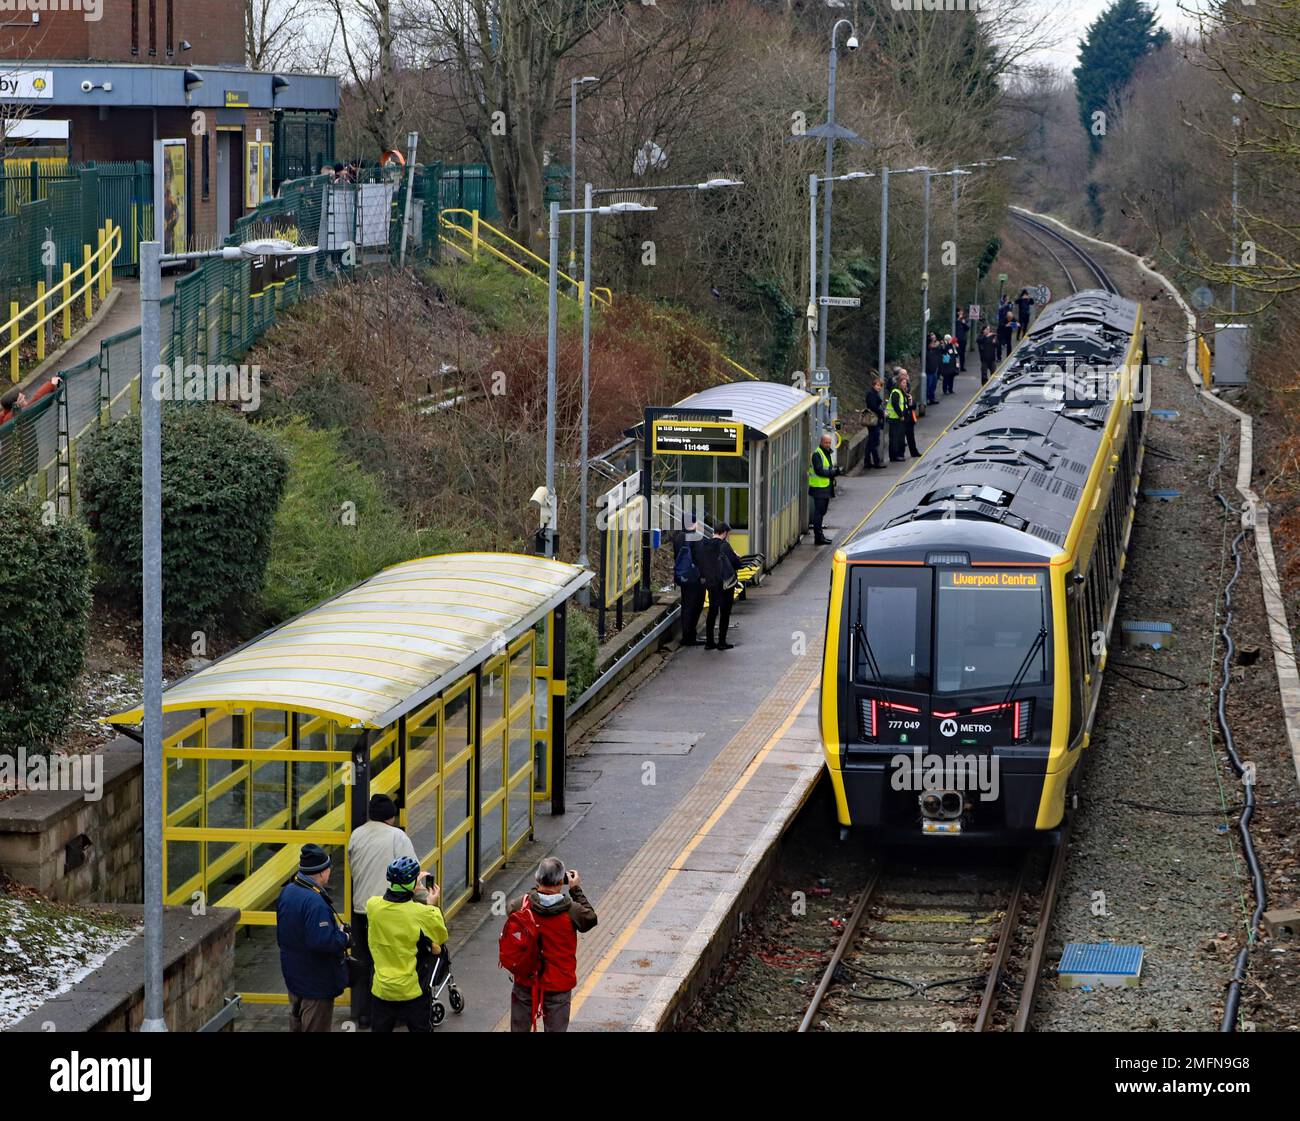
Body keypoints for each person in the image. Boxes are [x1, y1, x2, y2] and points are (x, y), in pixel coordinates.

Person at [347, 792, 419, 1029]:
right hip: (387, 910)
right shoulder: (397, 837)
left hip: (360, 910)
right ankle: (393, 1014)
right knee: (390, 961)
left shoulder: (356, 835)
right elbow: (412, 873)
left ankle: (364, 1013)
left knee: (365, 960)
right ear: (392, 817)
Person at [507, 857, 598, 1032]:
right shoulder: (572, 910)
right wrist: (576, 890)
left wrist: (538, 887)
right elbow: (591, 919)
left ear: (538, 879)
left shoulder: (523, 904)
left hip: (527, 977)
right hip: (559, 981)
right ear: (560, 881)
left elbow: (510, 908)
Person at [366, 856, 449, 1033]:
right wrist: (431, 906)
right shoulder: (422, 913)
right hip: (412, 990)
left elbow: (388, 905)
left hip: (382, 988)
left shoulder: (372, 906)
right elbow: (440, 936)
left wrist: (410, 884)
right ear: (412, 884)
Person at [275, 843, 350, 1032]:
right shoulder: (315, 902)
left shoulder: (288, 891)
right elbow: (322, 941)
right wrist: (344, 938)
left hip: (294, 977)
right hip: (316, 983)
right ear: (323, 873)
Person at [699, 522, 744, 648]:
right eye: (727, 533)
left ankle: (709, 642)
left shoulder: (704, 544)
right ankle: (722, 642)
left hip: (711, 583)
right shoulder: (724, 545)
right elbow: (737, 564)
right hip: (725, 584)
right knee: (724, 613)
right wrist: (736, 556)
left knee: (712, 611)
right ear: (724, 533)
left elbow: (701, 564)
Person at [673, 526, 705, 646]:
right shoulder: (697, 537)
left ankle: (686, 634)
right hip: (695, 577)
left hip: (683, 575)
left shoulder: (678, 537)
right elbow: (700, 559)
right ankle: (690, 635)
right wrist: (703, 576)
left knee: (686, 605)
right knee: (696, 605)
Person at [807, 431, 838, 545]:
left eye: (829, 443)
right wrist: (833, 472)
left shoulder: (828, 453)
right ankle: (818, 537)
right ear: (821, 442)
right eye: (826, 442)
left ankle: (820, 536)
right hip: (819, 488)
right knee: (819, 513)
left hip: (826, 487)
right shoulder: (817, 454)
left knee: (822, 511)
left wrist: (835, 471)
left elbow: (829, 467)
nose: (828, 445)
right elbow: (819, 470)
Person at [885, 371, 909, 463]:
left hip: (899, 419)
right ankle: (894, 456)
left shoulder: (901, 392)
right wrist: (901, 415)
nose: (905, 385)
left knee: (900, 437)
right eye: (903, 383)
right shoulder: (896, 392)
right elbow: (895, 405)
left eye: (905, 383)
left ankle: (899, 454)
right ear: (899, 383)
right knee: (894, 438)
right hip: (895, 419)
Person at [864, 375, 886, 469]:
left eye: (880, 385)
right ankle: (876, 462)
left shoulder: (873, 393)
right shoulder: (872, 394)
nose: (879, 387)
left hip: (873, 420)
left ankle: (868, 461)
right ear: (873, 385)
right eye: (877, 385)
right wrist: (882, 412)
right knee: (874, 441)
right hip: (873, 420)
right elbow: (873, 407)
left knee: (871, 442)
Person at [899, 371, 922, 459]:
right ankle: (900, 454)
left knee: (911, 436)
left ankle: (914, 452)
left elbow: (912, 405)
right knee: (901, 437)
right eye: (904, 382)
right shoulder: (898, 391)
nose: (905, 384)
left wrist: (911, 402)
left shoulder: (907, 390)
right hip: (903, 417)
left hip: (909, 418)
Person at [923, 332, 941, 406]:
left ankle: (932, 398)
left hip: (934, 368)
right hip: (929, 369)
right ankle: (927, 398)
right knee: (928, 385)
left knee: (933, 385)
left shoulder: (936, 348)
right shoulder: (926, 349)